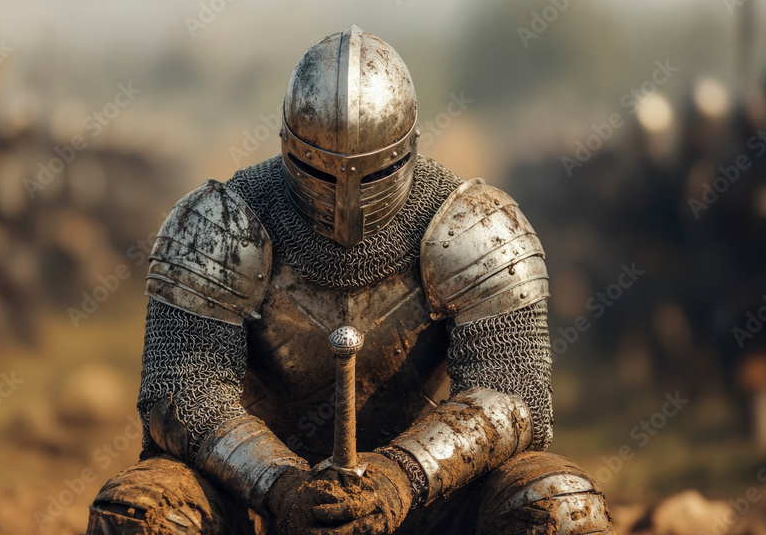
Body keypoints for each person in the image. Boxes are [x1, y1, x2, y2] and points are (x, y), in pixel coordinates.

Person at [86, 26, 614, 535]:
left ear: (409, 145)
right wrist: (280, 486)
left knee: (560, 504)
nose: (347, 197)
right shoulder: (221, 225)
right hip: (251, 499)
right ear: (288, 143)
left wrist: (401, 476)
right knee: (137, 514)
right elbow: (183, 391)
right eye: (322, 170)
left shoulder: (475, 228)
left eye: (374, 172)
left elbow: (511, 392)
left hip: (433, 495)